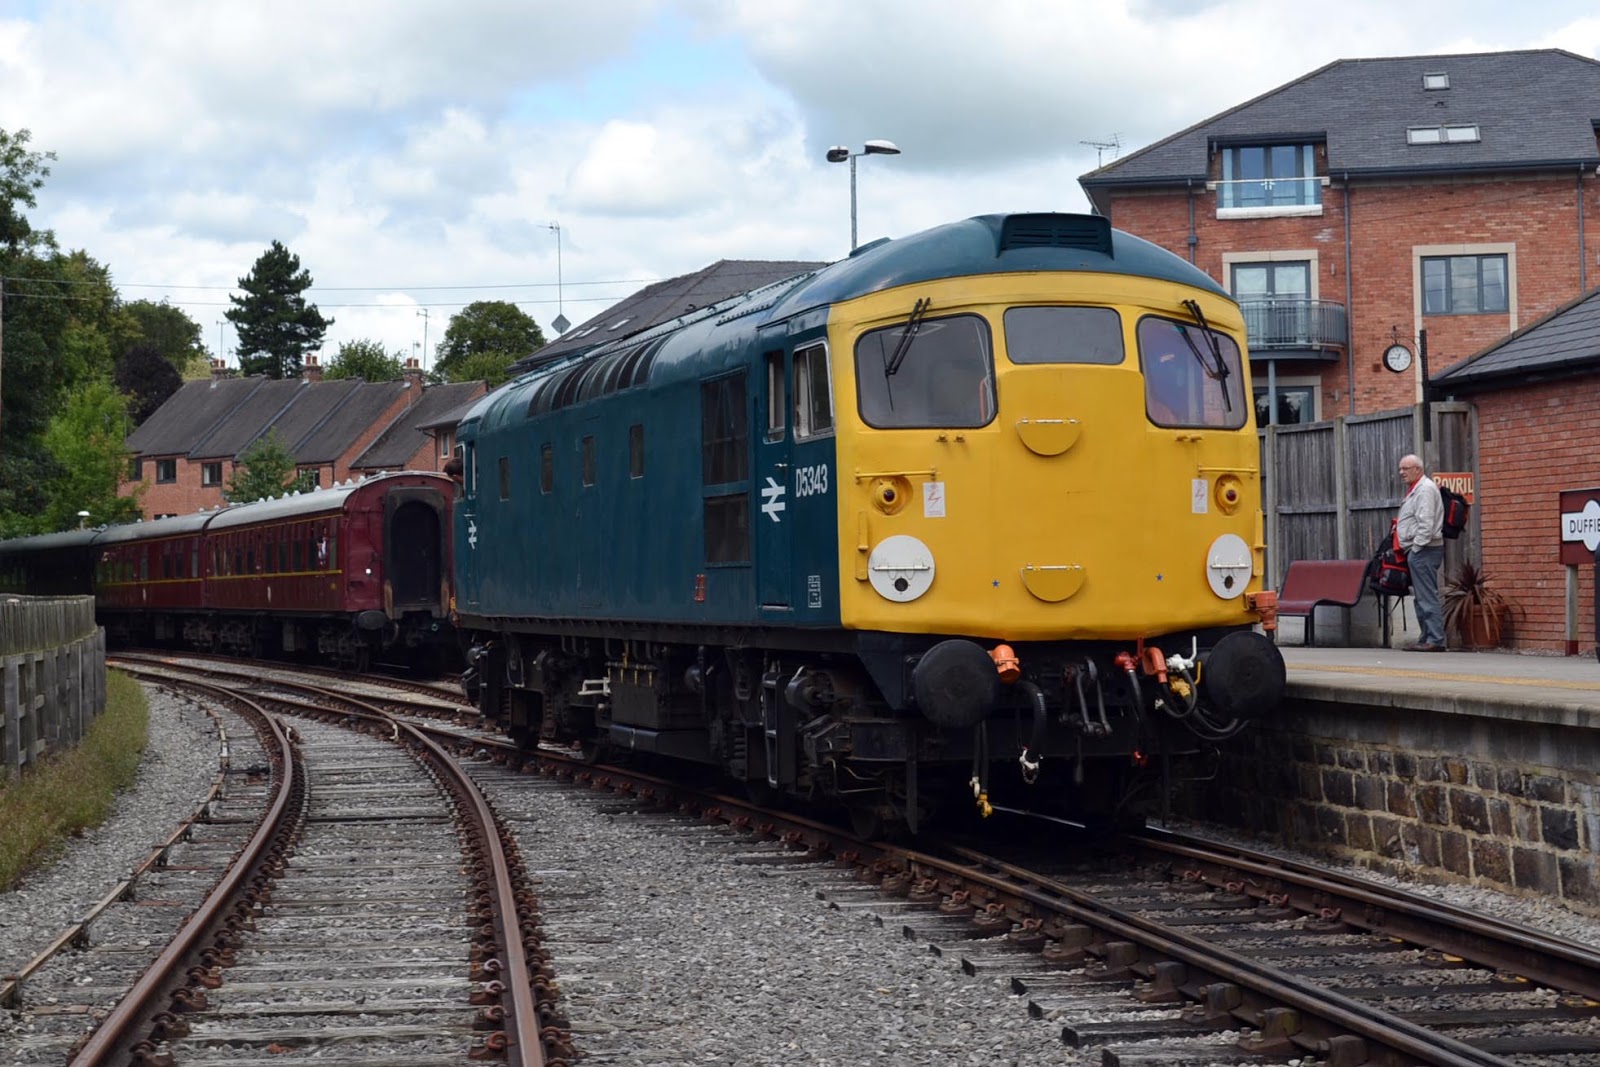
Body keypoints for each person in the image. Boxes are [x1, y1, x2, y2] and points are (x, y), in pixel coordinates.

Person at [1397, 453, 1446, 651]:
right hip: (1420, 550)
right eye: (1400, 469)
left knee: (1426, 595)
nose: (1401, 472)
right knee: (1421, 596)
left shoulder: (1424, 489)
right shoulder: (1417, 489)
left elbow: (1426, 522)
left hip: (1424, 550)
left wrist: (1416, 547)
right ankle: (1426, 637)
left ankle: (1435, 639)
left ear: (1418, 469)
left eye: (1405, 468)